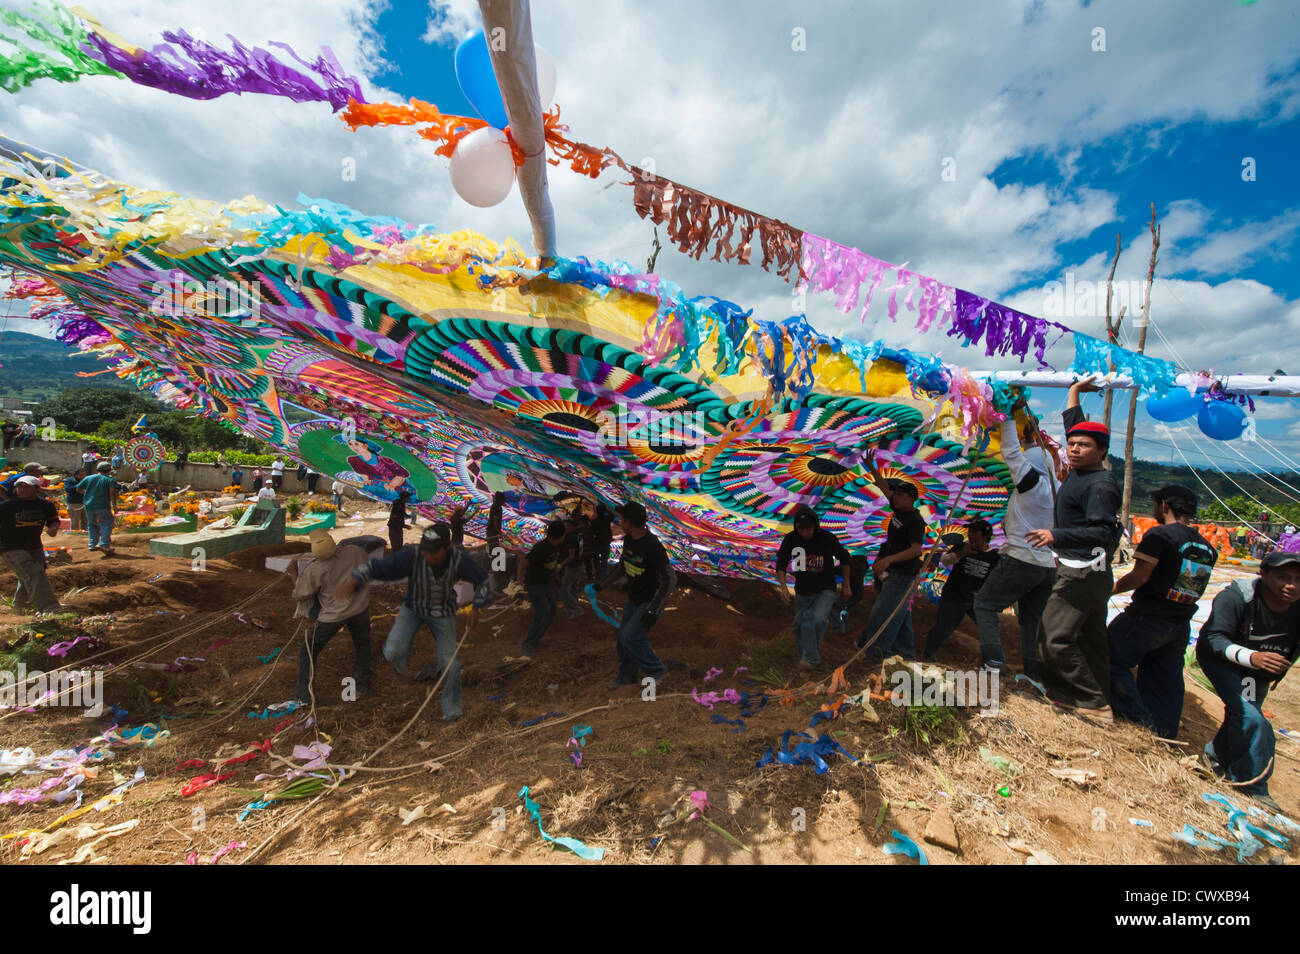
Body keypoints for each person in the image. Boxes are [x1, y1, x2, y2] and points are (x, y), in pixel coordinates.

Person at [1027, 376, 1122, 717]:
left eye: (1084, 445)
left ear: (1102, 452)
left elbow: (1100, 531)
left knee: (1053, 636)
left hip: (1082, 569)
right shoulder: (1084, 469)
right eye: (1072, 444)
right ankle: (1100, 698)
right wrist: (1074, 391)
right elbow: (1075, 425)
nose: (1075, 449)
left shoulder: (1100, 486)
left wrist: (1057, 536)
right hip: (1092, 572)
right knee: (1093, 639)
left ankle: (1085, 699)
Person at [337, 525, 491, 724]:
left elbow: (484, 581)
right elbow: (380, 567)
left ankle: (452, 711)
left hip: (442, 613)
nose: (427, 555)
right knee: (392, 651)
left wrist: (476, 608)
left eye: (432, 552)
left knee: (450, 665)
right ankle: (402, 667)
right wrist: (355, 580)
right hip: (413, 609)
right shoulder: (413, 556)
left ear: (447, 549)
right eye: (425, 550)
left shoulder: (460, 561)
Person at [1108, 485, 1217, 739]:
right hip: (1180, 622)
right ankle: (1164, 732)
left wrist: (1111, 589)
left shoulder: (1160, 536)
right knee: (1165, 679)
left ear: (1164, 505)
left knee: (1108, 656)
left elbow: (1140, 576)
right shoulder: (1207, 548)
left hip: (1147, 616)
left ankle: (1137, 720)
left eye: (1156, 503)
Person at [1197, 551, 1300, 812]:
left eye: (1299, 580)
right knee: (1252, 718)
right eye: (1283, 577)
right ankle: (1250, 785)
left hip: (1258, 674)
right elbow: (1215, 638)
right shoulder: (1237, 598)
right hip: (1225, 664)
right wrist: (1252, 657)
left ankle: (1214, 756)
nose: (1292, 585)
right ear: (1263, 574)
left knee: (1243, 713)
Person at [973, 406, 1058, 676]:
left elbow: (1011, 453)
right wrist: (1030, 437)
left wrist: (1006, 416)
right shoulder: (1057, 489)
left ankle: (994, 661)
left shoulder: (1032, 485)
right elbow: (1031, 456)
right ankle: (1033, 671)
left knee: (984, 604)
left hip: (1022, 559)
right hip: (1046, 566)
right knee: (1032, 620)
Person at [857, 450, 927, 660]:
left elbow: (916, 550)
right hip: (895, 571)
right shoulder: (898, 510)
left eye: (900, 495)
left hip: (904, 574)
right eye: (895, 495)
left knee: (883, 612)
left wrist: (888, 560)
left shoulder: (915, 521)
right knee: (901, 614)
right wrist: (871, 466)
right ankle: (906, 653)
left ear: (911, 499)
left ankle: (876, 652)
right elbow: (884, 488)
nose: (895, 497)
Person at [598, 501, 676, 689]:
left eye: (622, 518)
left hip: (649, 601)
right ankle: (627, 676)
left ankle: (657, 670)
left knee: (630, 637)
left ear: (630, 522)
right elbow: (622, 565)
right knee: (622, 640)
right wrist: (602, 584)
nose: (619, 520)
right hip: (634, 597)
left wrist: (653, 609)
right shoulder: (629, 539)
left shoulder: (652, 546)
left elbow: (670, 579)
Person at [292, 531, 372, 706]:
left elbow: (300, 593)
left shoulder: (315, 569)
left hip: (334, 615)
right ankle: (362, 683)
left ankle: (304, 695)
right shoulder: (354, 551)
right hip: (359, 608)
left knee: (308, 650)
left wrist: (293, 574)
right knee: (362, 645)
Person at [775, 506, 851, 670]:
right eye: (801, 530)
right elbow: (780, 564)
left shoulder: (827, 538)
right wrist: (783, 588)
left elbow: (845, 559)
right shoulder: (791, 539)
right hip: (803, 590)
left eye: (808, 529)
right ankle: (807, 658)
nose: (804, 533)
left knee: (812, 619)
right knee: (799, 625)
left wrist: (847, 584)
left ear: (815, 526)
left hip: (825, 589)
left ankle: (810, 659)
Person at [923, 519, 999, 663]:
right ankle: (928, 655)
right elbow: (945, 561)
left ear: (985, 536)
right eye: (970, 532)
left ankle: (992, 660)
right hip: (953, 596)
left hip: (977, 600)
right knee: (943, 629)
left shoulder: (994, 558)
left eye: (974, 533)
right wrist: (961, 554)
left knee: (988, 628)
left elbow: (995, 580)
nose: (970, 536)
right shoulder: (962, 546)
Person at [0, 476, 62, 614]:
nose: (22, 490)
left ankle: (21, 606)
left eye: (26, 487)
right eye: (19, 487)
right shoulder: (7, 506)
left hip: (34, 546)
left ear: (37, 489)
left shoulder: (46, 505)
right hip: (11, 548)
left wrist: (53, 528)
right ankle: (50, 608)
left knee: (30, 575)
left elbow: (54, 520)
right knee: (35, 573)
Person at [518, 520, 567, 655]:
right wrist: (520, 581)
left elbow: (550, 565)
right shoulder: (541, 548)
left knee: (551, 610)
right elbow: (523, 562)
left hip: (546, 583)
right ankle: (528, 644)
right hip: (534, 585)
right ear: (562, 535)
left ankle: (535, 639)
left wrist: (556, 579)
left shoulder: (556, 547)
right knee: (543, 611)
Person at [76, 460, 120, 553]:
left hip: (89, 505)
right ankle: (104, 544)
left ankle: (92, 544)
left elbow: (78, 489)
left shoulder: (89, 478)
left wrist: (89, 493)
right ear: (109, 470)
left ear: (97, 469)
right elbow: (112, 492)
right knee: (107, 522)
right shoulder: (110, 480)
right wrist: (114, 505)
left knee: (92, 524)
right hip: (102, 505)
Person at [558, 516, 584, 619]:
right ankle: (573, 610)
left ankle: (576, 609)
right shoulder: (579, 534)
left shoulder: (570, 538)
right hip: (579, 564)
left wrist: (561, 565)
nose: (565, 527)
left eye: (568, 525)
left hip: (573, 566)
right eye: (565, 525)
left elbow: (571, 556)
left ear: (573, 526)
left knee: (564, 590)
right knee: (573, 587)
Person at [485, 491, 506, 585]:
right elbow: (495, 521)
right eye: (503, 499)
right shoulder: (496, 507)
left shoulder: (496, 506)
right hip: (492, 532)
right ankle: (494, 571)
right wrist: (499, 532)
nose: (504, 501)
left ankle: (493, 569)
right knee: (495, 550)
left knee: (494, 549)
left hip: (491, 531)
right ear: (500, 499)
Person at [592, 503, 613, 580]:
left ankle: (598, 575)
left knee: (596, 560)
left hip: (597, 542)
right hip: (606, 542)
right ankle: (603, 575)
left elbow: (593, 532)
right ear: (604, 511)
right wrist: (607, 509)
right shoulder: (607, 518)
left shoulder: (594, 521)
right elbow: (612, 515)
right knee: (604, 560)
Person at [64, 467, 87, 533]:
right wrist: (78, 486)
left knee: (85, 520)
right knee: (75, 521)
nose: (83, 476)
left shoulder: (86, 480)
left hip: (85, 502)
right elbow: (68, 489)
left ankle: (85, 533)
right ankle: (74, 534)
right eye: (81, 475)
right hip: (74, 503)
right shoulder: (69, 480)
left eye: (84, 474)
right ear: (76, 475)